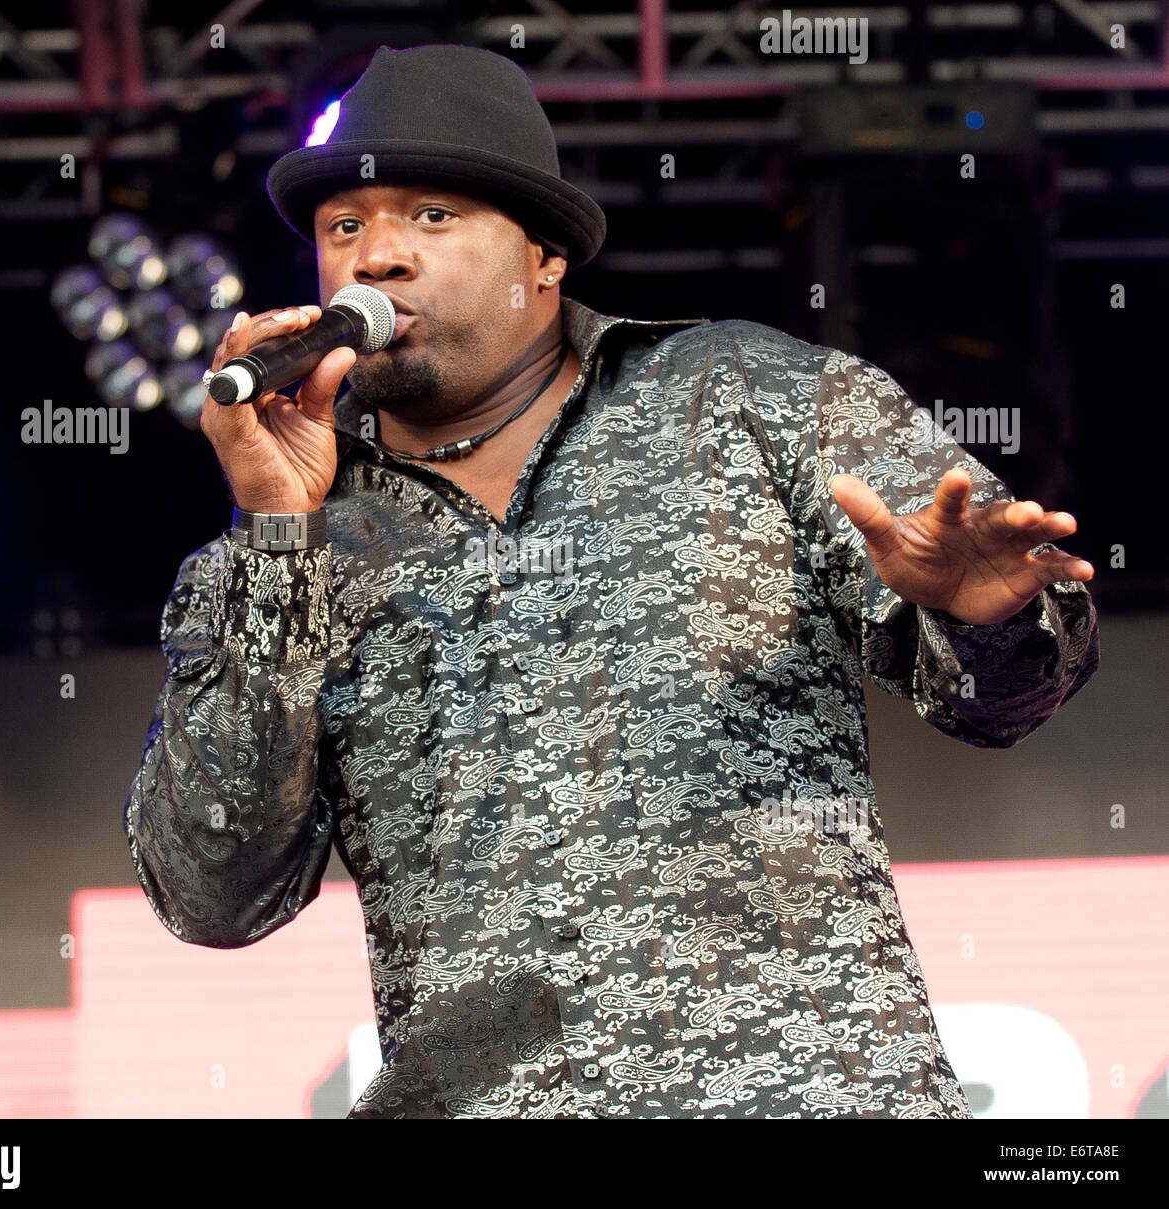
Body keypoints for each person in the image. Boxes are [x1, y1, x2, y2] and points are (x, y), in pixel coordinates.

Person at [123, 43, 1099, 1119]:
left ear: (543, 257)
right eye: (343, 227)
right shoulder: (284, 549)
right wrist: (274, 538)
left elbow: (1008, 697)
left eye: (432, 216)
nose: (378, 256)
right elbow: (213, 894)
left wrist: (987, 615)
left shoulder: (746, 395)